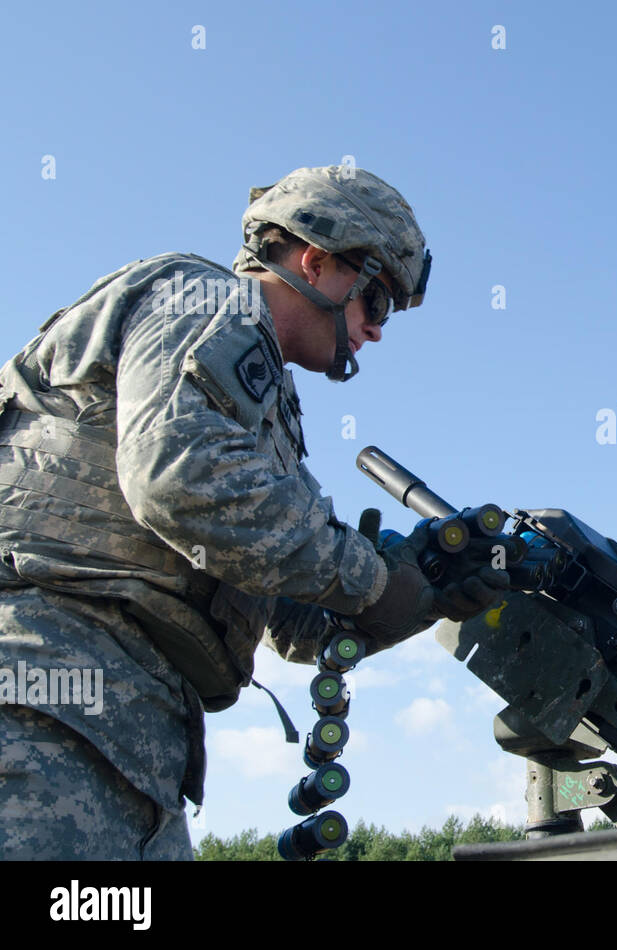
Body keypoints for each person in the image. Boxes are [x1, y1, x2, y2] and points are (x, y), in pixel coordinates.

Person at [0, 165, 506, 859]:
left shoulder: (263, 413)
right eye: (376, 302)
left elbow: (289, 624)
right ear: (316, 260)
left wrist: (418, 593)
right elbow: (177, 474)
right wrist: (369, 577)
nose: (376, 331)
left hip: (133, 733)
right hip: (49, 686)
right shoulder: (209, 300)